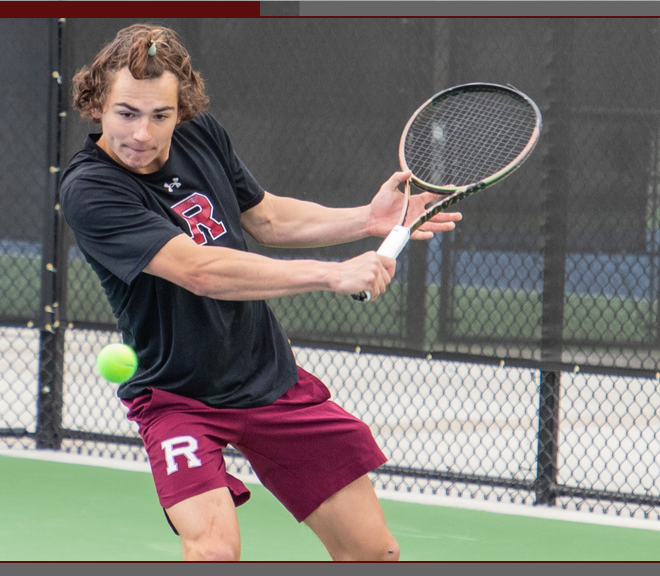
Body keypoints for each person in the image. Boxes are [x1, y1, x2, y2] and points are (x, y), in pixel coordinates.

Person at [60, 24, 460, 562]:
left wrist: (365, 219)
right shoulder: (91, 189)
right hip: (178, 398)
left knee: (373, 553)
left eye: (161, 116)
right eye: (126, 113)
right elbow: (200, 270)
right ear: (97, 106)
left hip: (268, 379)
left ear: (181, 111)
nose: (142, 132)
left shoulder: (201, 135)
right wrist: (328, 274)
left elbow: (267, 217)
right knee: (216, 552)